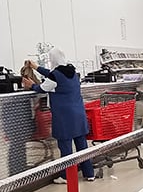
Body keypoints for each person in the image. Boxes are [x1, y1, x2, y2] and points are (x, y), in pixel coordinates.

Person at [22, 49, 95, 183]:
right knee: (82, 146)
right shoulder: (73, 72)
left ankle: (66, 176)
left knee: (65, 147)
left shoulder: (55, 76)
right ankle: (89, 173)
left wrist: (31, 85)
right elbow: (52, 75)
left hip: (64, 117)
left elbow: (43, 88)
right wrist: (36, 67)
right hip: (79, 114)